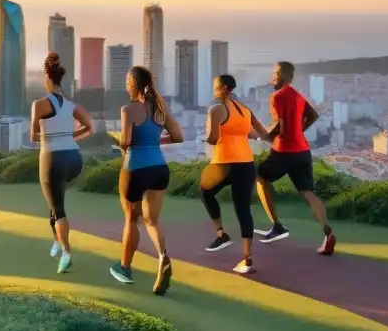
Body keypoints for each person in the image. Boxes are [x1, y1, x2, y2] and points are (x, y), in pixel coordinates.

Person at [109, 65, 184, 295]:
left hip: (135, 168)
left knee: (131, 219)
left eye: (127, 81)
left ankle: (124, 268)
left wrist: (119, 140)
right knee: (151, 220)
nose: (125, 85)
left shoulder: (128, 109)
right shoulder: (161, 109)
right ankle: (163, 256)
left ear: (134, 84)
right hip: (159, 169)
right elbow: (179, 136)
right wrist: (155, 142)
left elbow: (127, 142)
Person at [256, 61, 336, 255]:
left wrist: (262, 135)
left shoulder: (277, 96)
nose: (271, 77)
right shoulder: (297, 96)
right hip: (302, 151)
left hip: (284, 151)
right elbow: (313, 116)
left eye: (274, 74)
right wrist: (298, 131)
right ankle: (328, 232)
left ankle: (277, 226)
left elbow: (279, 128)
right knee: (307, 192)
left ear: (280, 76)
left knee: (260, 179)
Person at [200, 74, 275, 274]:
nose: (214, 91)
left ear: (224, 88)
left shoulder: (216, 109)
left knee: (206, 191)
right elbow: (260, 133)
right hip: (246, 164)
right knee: (243, 210)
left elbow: (213, 139)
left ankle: (221, 233)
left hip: (224, 163)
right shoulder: (244, 110)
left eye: (216, 88)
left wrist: (208, 131)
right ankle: (247, 259)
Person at [29, 52, 95, 274]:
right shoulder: (71, 106)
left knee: (58, 209)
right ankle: (58, 241)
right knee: (54, 203)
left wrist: (53, 136)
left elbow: (33, 136)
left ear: (47, 79)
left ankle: (66, 252)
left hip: (52, 159)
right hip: (74, 159)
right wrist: (70, 136)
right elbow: (90, 128)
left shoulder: (39, 104)